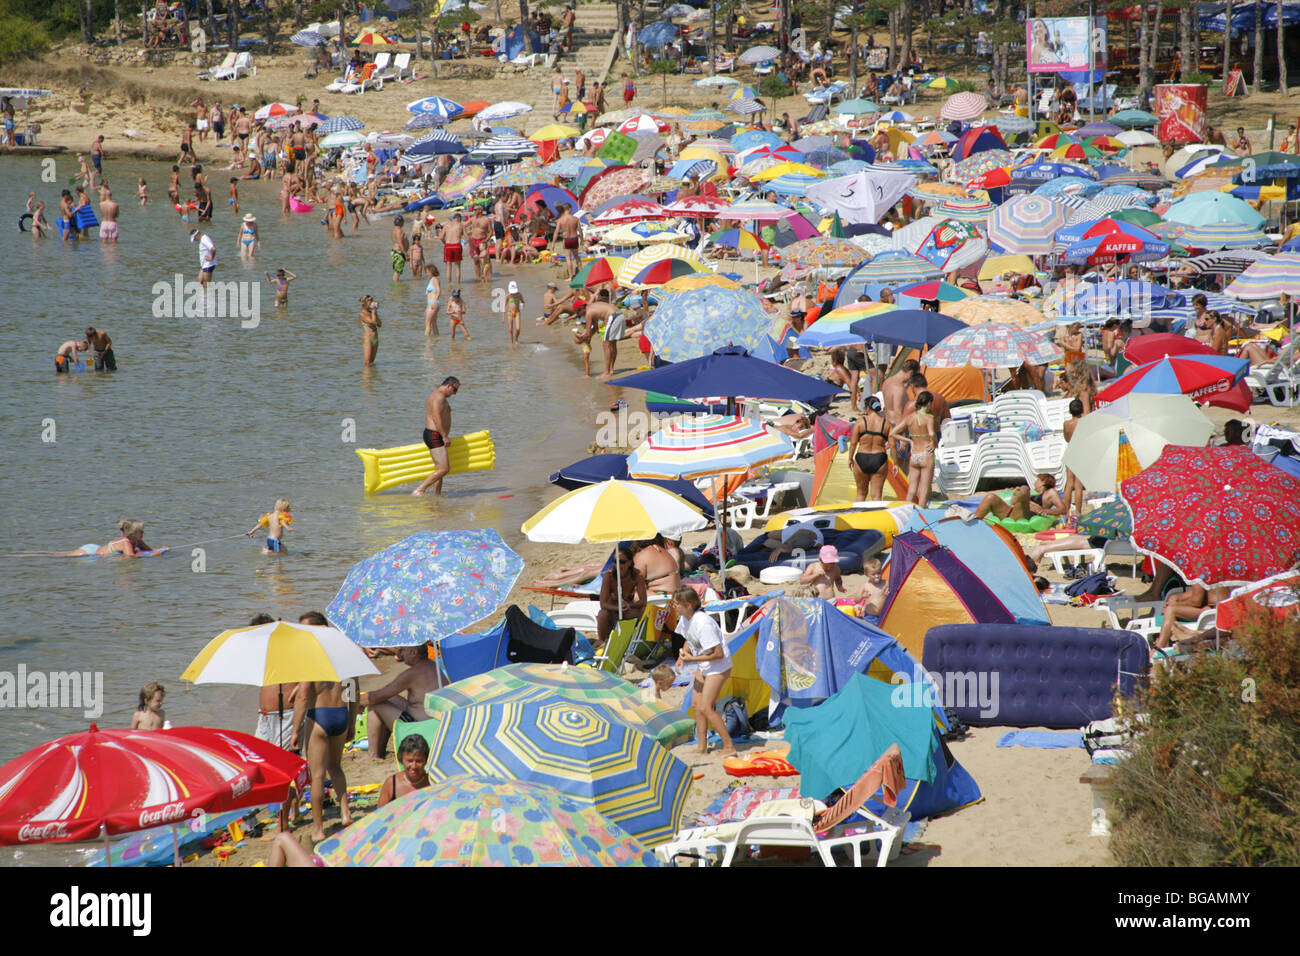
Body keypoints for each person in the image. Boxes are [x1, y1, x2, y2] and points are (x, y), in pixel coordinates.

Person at [292, 614, 359, 841]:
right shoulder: (344, 654)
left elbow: (302, 697)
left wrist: (294, 731)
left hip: (318, 716)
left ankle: (318, 829)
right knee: (336, 767)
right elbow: (354, 691)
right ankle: (345, 813)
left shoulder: (311, 658)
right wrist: (351, 722)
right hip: (340, 714)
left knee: (317, 775)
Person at [672, 587, 735, 756]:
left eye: (677, 604)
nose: (674, 606)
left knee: (707, 707)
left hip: (718, 666)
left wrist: (691, 660)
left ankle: (729, 746)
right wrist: (683, 655)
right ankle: (702, 747)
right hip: (705, 664)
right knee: (696, 706)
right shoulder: (685, 619)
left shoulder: (703, 622)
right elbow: (689, 639)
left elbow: (718, 654)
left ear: (690, 605)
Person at [360, 644, 445, 759]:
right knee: (390, 699)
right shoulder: (433, 665)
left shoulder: (412, 674)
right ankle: (380, 751)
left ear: (414, 653)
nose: (400, 654)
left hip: (420, 730)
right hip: (436, 725)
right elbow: (386, 693)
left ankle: (373, 754)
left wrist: (351, 703)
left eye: (403, 650)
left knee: (376, 705)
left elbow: (375, 697)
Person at [413, 376, 460, 496]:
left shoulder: (439, 396)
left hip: (434, 434)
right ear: (449, 386)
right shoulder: (438, 397)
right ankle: (420, 489)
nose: (455, 394)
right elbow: (436, 417)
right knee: (444, 469)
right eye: (455, 390)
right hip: (435, 435)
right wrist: (444, 436)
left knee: (439, 469)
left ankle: (437, 495)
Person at [890, 389, 936, 505]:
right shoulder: (929, 418)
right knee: (924, 489)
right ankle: (920, 514)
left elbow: (893, 433)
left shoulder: (909, 418)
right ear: (929, 403)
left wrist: (909, 440)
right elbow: (931, 433)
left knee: (912, 489)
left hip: (914, 454)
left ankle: (907, 512)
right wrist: (934, 443)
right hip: (926, 454)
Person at [597, 546, 647, 645]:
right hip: (613, 610)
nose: (618, 565)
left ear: (629, 563)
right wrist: (618, 607)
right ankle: (603, 641)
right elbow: (603, 604)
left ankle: (639, 641)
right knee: (603, 613)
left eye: (622, 562)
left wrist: (629, 606)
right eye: (616, 562)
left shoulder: (637, 576)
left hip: (628, 609)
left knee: (644, 610)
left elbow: (643, 601)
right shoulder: (609, 576)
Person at [968, 472, 1067, 523]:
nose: (1034, 482)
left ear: (1044, 482)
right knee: (991, 497)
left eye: (1037, 480)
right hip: (1012, 512)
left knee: (1024, 488)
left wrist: (1044, 511)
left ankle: (1018, 498)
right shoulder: (1034, 493)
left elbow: (1063, 509)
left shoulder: (1050, 492)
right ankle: (976, 523)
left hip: (1028, 515)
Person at [848, 395, 891, 501]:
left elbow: (853, 442)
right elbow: (892, 443)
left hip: (862, 456)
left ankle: (858, 517)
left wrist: (850, 458)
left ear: (867, 407)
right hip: (879, 457)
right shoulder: (886, 423)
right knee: (876, 496)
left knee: (861, 494)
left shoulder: (860, 421)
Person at [377, 734, 431, 807]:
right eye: (410, 761)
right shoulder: (392, 784)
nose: (414, 766)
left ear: (425, 760)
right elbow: (380, 815)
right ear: (401, 760)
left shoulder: (432, 782)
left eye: (418, 761)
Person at [1062, 398, 1085, 514]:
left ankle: (1066, 511)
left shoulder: (1067, 424)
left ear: (1070, 411)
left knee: (1069, 483)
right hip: (1080, 451)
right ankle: (1079, 512)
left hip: (1070, 450)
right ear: (1082, 410)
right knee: (1078, 485)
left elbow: (1066, 439)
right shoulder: (1085, 422)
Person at [440, 213, 465, 287]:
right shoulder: (461, 225)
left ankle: (448, 285)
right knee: (457, 267)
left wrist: (445, 243)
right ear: (459, 219)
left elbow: (441, 237)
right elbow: (466, 236)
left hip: (448, 246)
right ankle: (458, 284)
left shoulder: (446, 225)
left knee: (448, 266)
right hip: (457, 245)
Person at [359, 294, 381, 366]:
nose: (372, 303)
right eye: (370, 302)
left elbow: (379, 324)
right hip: (368, 339)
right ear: (365, 303)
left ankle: (372, 376)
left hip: (375, 339)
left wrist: (375, 313)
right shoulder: (362, 314)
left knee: (372, 362)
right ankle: (366, 376)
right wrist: (374, 312)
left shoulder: (371, 313)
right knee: (367, 362)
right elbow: (373, 322)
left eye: (372, 301)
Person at [504, 281, 524, 346]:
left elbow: (523, 301)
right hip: (510, 313)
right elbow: (503, 306)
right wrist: (503, 317)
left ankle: (516, 339)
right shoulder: (508, 296)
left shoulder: (519, 295)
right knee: (510, 329)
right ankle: (511, 342)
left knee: (518, 328)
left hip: (517, 312)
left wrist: (522, 305)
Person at [424, 265, 442, 336]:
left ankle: (427, 343)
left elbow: (439, 290)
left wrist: (435, 300)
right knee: (433, 323)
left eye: (427, 272)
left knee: (428, 323)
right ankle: (436, 341)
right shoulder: (432, 280)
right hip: (431, 303)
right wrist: (427, 307)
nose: (427, 274)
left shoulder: (435, 279)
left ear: (432, 271)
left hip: (433, 302)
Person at [391, 214, 409, 280]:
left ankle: (396, 287)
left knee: (397, 271)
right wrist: (405, 254)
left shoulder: (394, 230)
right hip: (399, 253)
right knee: (397, 272)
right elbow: (400, 242)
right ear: (401, 222)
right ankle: (397, 288)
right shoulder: (399, 230)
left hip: (395, 252)